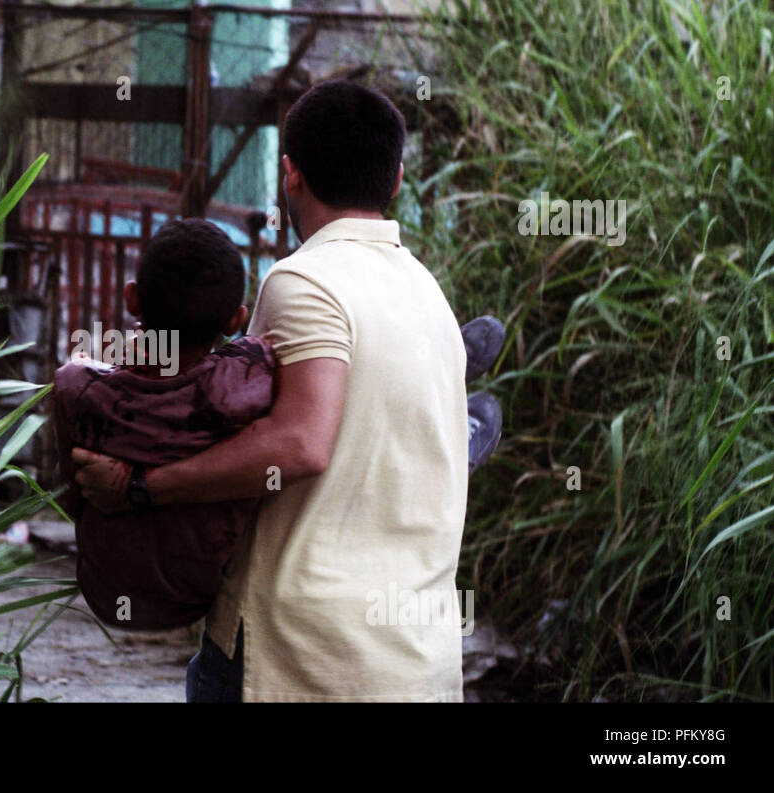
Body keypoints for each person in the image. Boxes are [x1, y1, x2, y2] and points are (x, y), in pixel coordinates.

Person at [71, 80, 487, 702]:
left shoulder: (304, 281)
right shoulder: (429, 292)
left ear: (290, 174)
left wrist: (138, 488)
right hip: (416, 663)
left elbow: (298, 444)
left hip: (299, 658)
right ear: (396, 179)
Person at [58, 213, 504, 659]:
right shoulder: (240, 382)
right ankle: (432, 389)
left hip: (118, 587)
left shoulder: (78, 388)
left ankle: (432, 376)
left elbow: (70, 495)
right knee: (304, 403)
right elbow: (304, 420)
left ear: (132, 298)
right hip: (205, 582)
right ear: (237, 318)